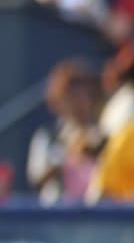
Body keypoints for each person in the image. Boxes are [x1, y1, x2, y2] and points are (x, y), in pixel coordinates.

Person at [27, 59, 105, 203]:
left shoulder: (103, 136)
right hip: (56, 216)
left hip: (95, 218)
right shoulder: (48, 136)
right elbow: (36, 179)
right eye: (73, 96)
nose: (80, 103)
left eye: (86, 95)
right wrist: (64, 160)